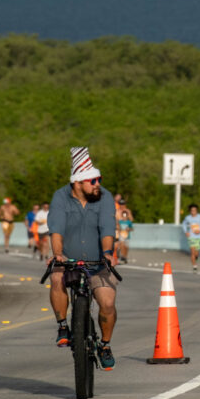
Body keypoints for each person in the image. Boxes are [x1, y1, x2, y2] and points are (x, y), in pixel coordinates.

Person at [48, 147, 119, 370]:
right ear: (78, 182)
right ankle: (62, 325)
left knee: (107, 303)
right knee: (57, 278)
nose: (97, 184)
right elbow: (56, 229)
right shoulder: (60, 197)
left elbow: (107, 228)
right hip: (68, 260)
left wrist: (108, 253)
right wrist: (58, 253)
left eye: (98, 179)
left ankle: (105, 345)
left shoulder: (104, 197)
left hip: (98, 262)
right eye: (93, 180)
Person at [181, 204, 200, 271]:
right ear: (190, 211)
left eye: (194, 210)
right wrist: (186, 232)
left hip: (199, 236)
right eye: (192, 210)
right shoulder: (188, 218)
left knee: (196, 253)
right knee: (192, 252)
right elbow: (183, 224)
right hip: (191, 236)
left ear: (197, 211)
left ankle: (196, 257)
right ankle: (194, 266)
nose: (193, 212)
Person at [115, 199, 133, 264]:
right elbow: (115, 220)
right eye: (121, 204)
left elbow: (131, 219)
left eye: (123, 204)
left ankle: (124, 256)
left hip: (125, 231)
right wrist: (118, 226)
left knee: (126, 246)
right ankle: (120, 256)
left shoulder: (127, 211)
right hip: (119, 230)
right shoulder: (117, 211)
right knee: (120, 244)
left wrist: (126, 217)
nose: (122, 206)